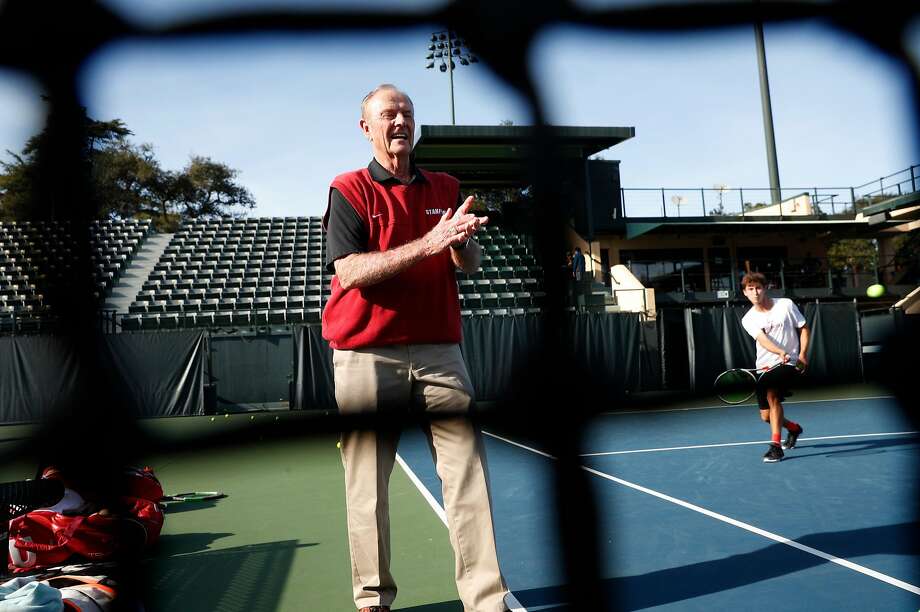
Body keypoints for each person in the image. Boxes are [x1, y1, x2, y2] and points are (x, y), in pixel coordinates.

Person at [322, 84, 510, 612]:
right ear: (367, 128)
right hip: (365, 352)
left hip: (439, 351)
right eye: (388, 114)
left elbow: (468, 265)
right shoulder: (349, 188)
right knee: (367, 483)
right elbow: (350, 271)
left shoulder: (445, 187)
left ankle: (486, 600)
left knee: (468, 474)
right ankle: (372, 598)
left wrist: (461, 243)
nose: (400, 120)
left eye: (406, 112)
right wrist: (429, 242)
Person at [740, 272, 809, 463]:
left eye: (758, 288)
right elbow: (762, 340)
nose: (755, 292)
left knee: (772, 395)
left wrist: (802, 354)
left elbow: (803, 328)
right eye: (750, 289)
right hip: (764, 367)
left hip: (789, 363)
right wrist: (778, 351)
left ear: (765, 288)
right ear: (745, 292)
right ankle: (794, 429)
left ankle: (776, 447)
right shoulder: (748, 319)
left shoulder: (785, 305)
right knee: (765, 416)